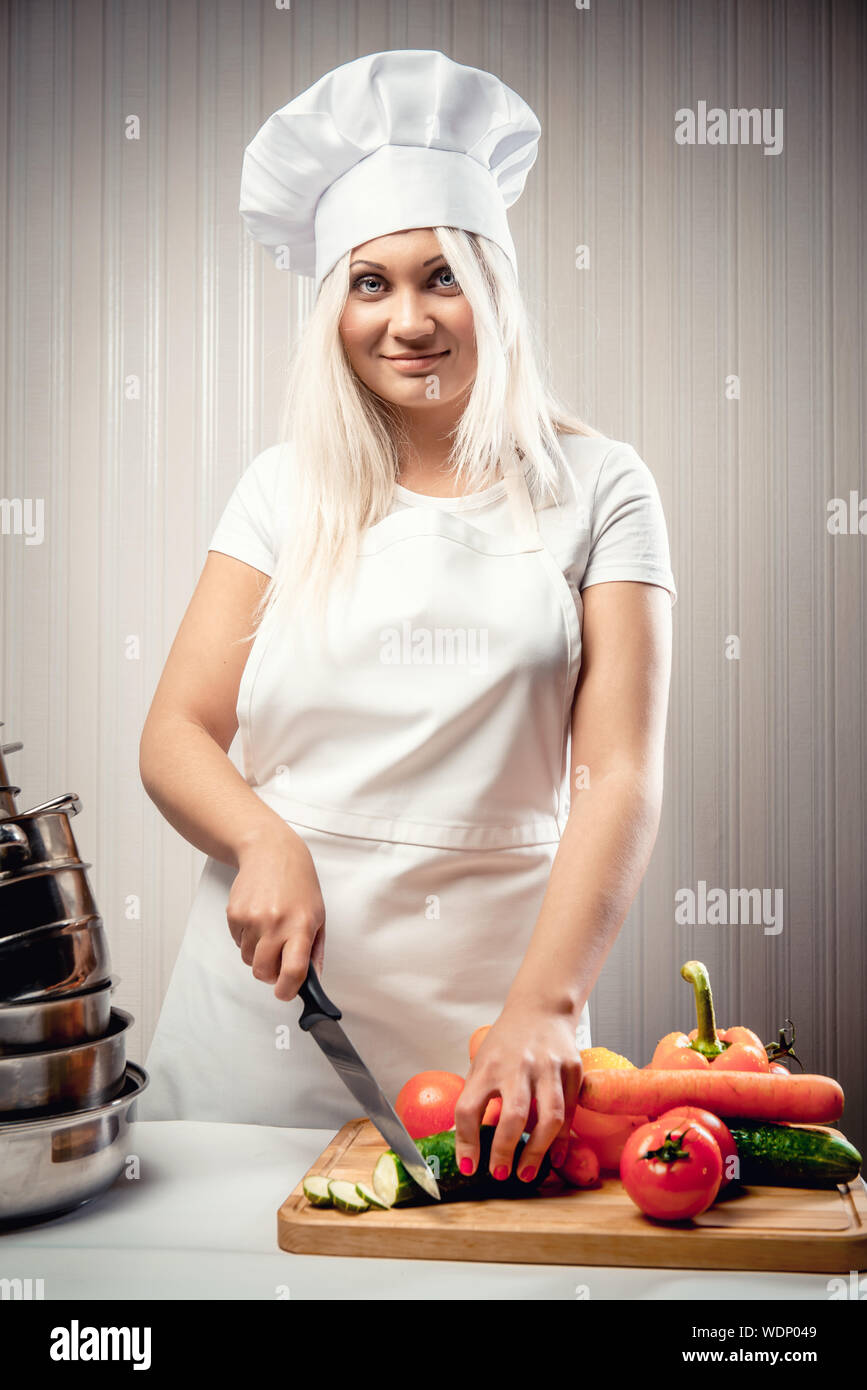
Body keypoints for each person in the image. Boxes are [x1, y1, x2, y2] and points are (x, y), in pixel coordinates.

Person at [137, 50, 676, 1186]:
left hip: (492, 1025)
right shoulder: (283, 488)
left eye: (442, 277)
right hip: (267, 1016)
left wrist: (548, 1002)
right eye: (368, 283)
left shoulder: (603, 486)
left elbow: (619, 774)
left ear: (494, 288)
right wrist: (260, 837)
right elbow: (177, 730)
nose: (409, 320)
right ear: (332, 306)